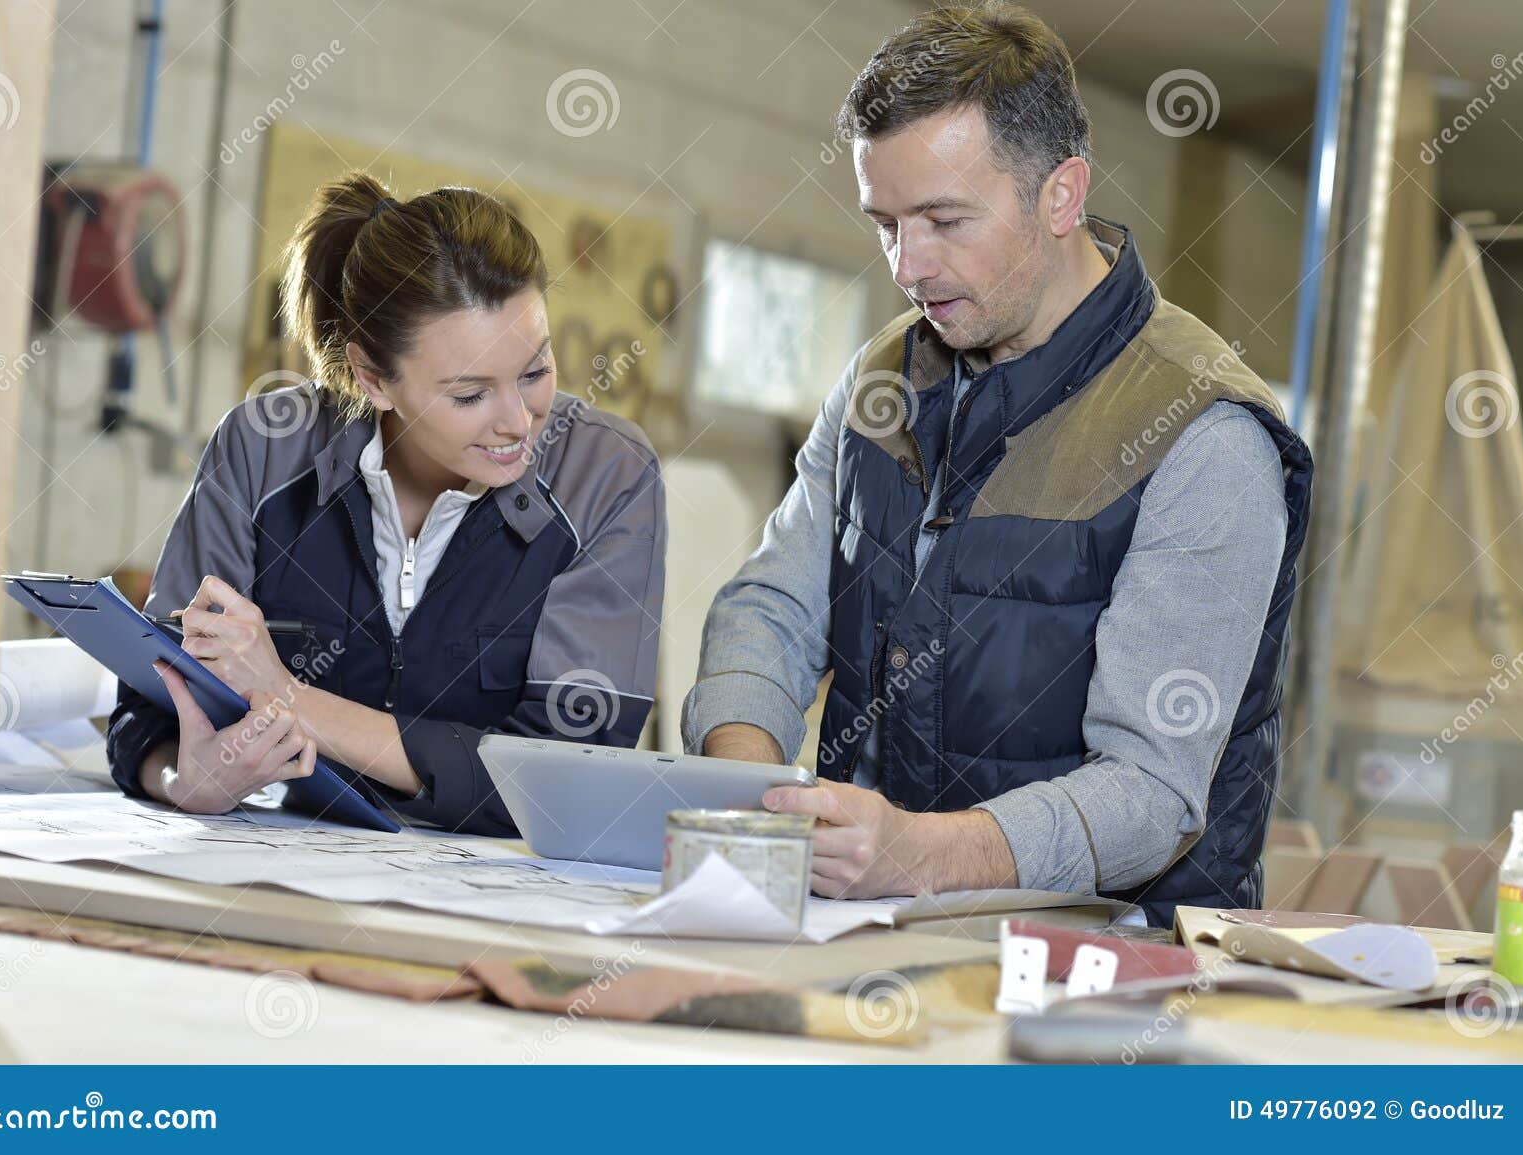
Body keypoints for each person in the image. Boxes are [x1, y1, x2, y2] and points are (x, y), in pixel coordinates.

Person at [682, 3, 1313, 927]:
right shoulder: (884, 375)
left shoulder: (1202, 436)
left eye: (944, 219)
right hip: (871, 925)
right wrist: (753, 799)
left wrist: (918, 854)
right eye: (885, 222)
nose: (907, 263)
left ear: (1061, 195)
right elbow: (772, 604)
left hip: (1116, 968)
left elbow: (1149, 794)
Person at [107, 173, 666, 834]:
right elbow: (151, 708)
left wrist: (287, 696)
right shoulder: (262, 451)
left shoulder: (608, 476)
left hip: (497, 908)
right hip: (280, 876)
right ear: (373, 378)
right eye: (470, 394)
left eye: (535, 371)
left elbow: (569, 775)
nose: (518, 420)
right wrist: (186, 779)